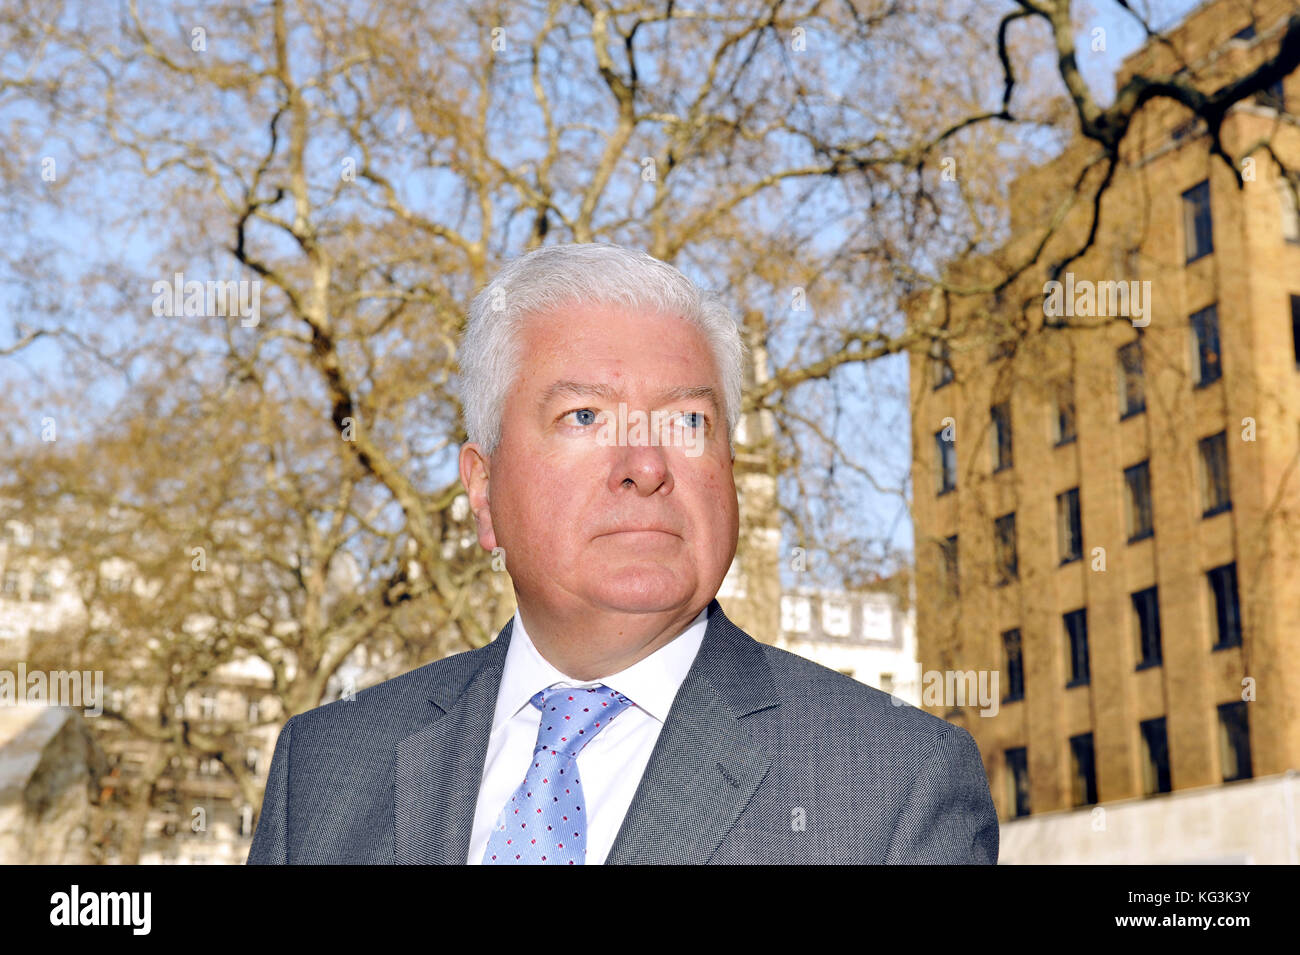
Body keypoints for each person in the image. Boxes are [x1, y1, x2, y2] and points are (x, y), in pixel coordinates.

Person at [247, 243, 998, 864]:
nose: (646, 462)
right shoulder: (323, 769)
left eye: (688, 420)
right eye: (584, 415)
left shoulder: (894, 787)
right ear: (482, 491)